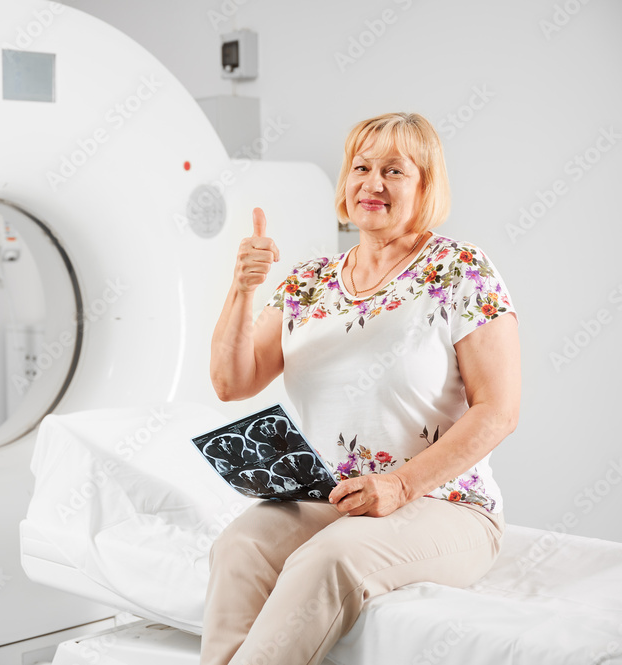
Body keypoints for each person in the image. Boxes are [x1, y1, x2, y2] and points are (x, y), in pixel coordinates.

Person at [203, 111, 520, 665]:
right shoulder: (307, 281)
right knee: (240, 547)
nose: (372, 184)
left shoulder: (459, 268)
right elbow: (231, 383)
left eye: (394, 170)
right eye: (361, 167)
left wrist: (398, 486)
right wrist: (242, 289)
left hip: (444, 503)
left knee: (328, 560)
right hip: (331, 497)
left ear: (424, 185)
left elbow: (499, 411)